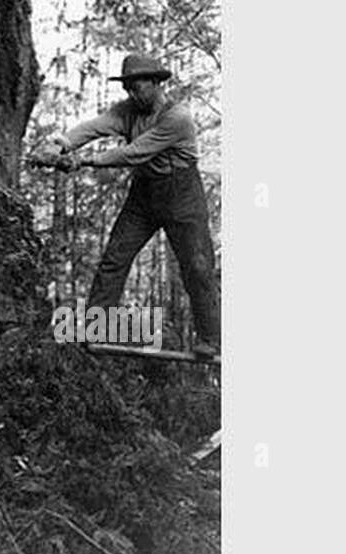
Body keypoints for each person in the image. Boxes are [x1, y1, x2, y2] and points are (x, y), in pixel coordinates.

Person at [32, 53, 221, 357]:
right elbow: (96, 127)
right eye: (128, 87)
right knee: (114, 258)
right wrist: (60, 145)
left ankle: (211, 338)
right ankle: (97, 329)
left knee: (197, 266)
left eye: (138, 86)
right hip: (144, 193)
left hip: (183, 194)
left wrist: (83, 161)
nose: (132, 93)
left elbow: (135, 153)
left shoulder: (177, 117)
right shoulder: (128, 110)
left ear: (157, 83)